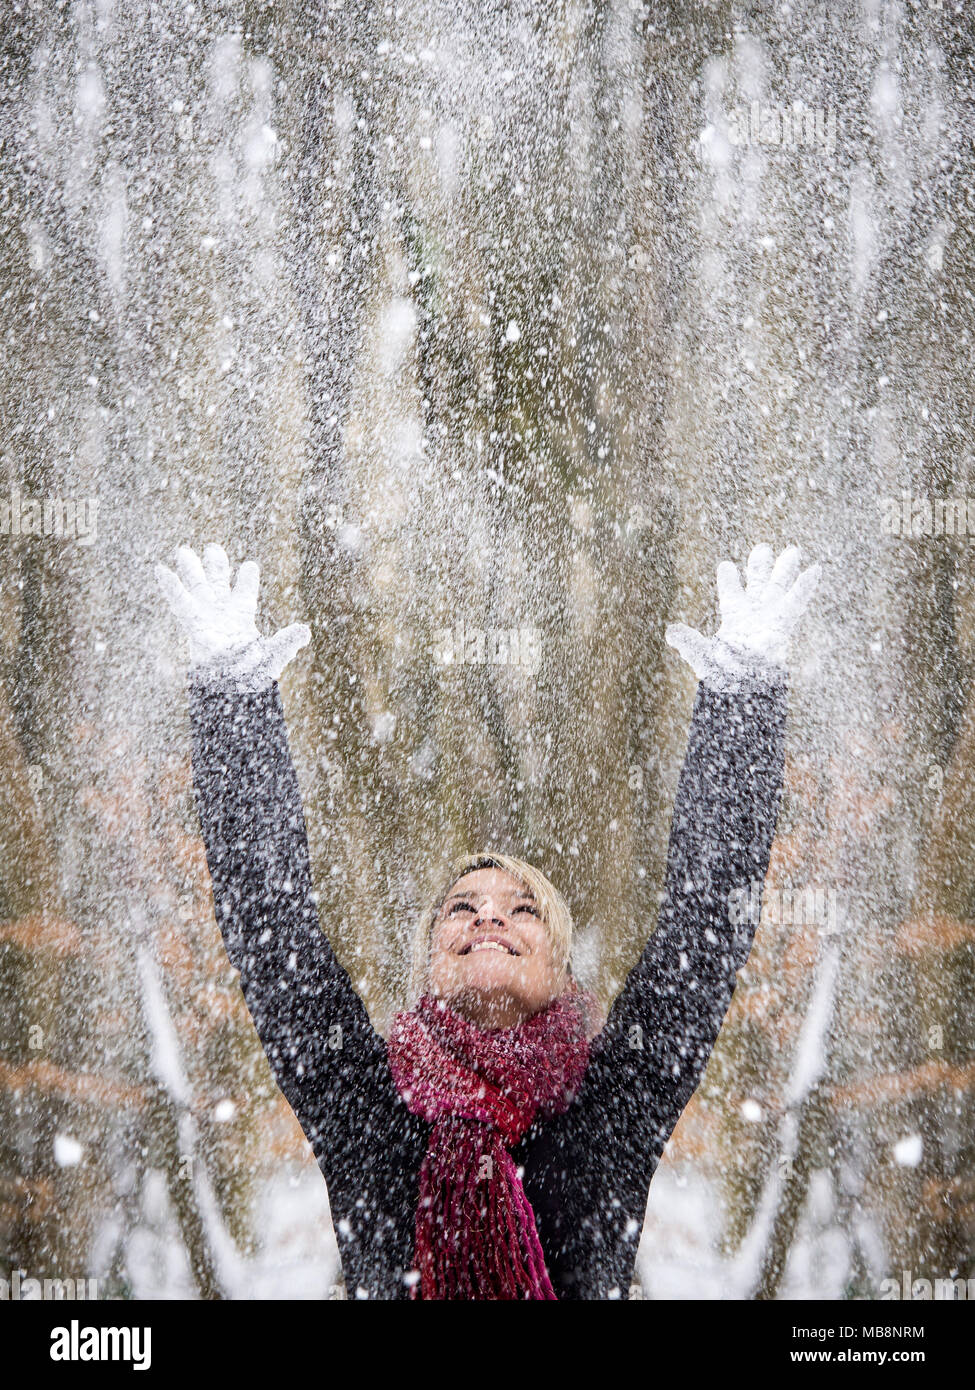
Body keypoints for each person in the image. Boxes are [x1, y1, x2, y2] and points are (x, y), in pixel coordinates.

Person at [155, 540, 819, 1299]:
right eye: (461, 908)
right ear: (430, 966)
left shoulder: (608, 1112)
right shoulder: (368, 1112)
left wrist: (742, 703)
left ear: (560, 966)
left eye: (522, 908)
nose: (487, 919)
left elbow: (702, 927)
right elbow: (273, 930)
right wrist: (233, 702)